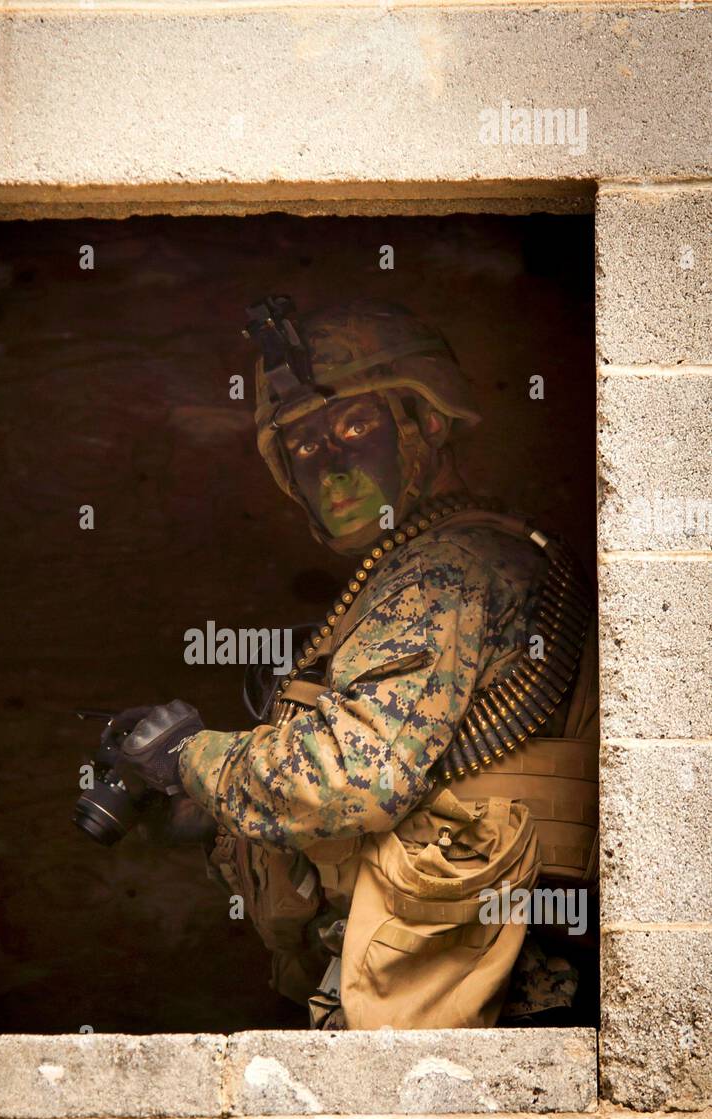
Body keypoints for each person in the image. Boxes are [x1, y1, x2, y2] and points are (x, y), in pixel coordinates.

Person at [109, 297, 597, 1029]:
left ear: (427, 424)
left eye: (356, 429)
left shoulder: (449, 570)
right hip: (450, 978)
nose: (331, 466)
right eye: (304, 449)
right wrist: (209, 807)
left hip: (466, 989)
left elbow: (357, 777)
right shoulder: (457, 560)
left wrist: (192, 756)